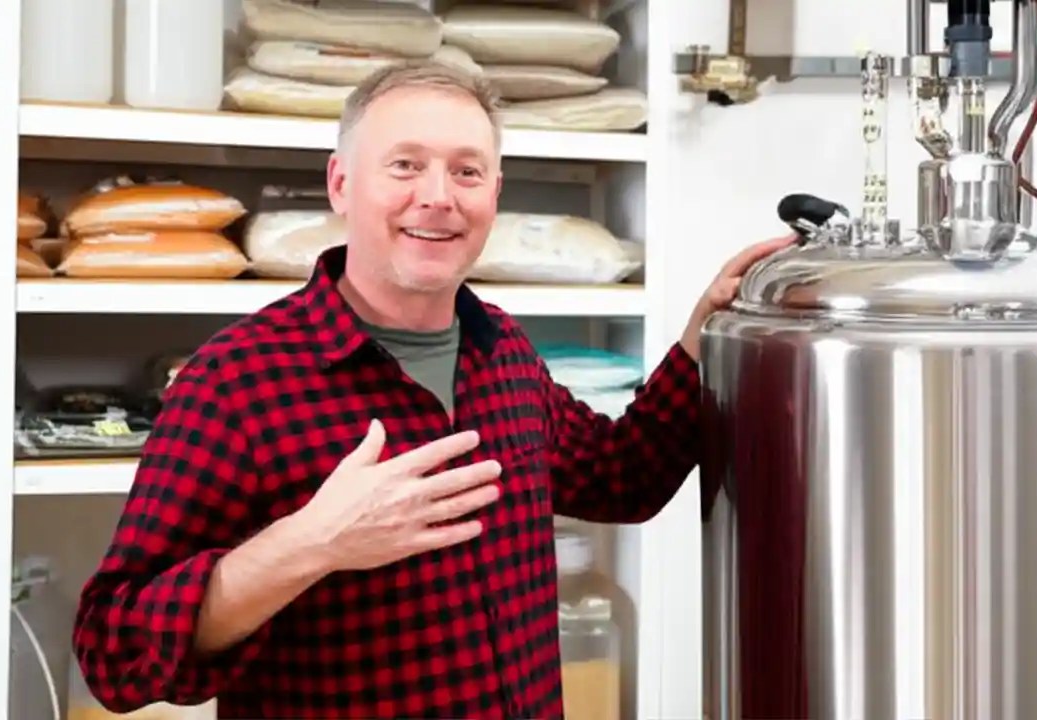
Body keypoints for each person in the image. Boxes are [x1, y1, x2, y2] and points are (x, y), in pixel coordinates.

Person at [71, 60, 792, 719]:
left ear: (494, 194)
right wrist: (311, 544)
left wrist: (702, 337)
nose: (438, 198)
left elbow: (622, 479)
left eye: (467, 172)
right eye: (405, 165)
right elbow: (114, 652)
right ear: (342, 184)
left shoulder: (502, 348)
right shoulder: (238, 382)